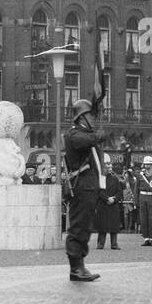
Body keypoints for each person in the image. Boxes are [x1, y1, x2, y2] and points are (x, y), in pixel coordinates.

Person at [64, 98, 106, 282]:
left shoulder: (86, 134)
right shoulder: (74, 134)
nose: (94, 119)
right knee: (78, 227)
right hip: (81, 187)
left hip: (89, 187)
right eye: (91, 115)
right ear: (82, 117)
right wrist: (98, 136)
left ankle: (80, 265)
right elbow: (83, 141)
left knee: (85, 227)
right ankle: (75, 268)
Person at [94, 154, 124, 251]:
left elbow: (119, 192)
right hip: (103, 204)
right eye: (108, 165)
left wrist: (114, 199)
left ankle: (114, 244)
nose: (110, 168)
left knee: (114, 227)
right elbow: (99, 191)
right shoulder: (100, 178)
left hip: (113, 205)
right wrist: (107, 199)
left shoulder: (115, 178)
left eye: (111, 166)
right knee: (102, 227)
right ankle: (100, 244)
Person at [133, 156, 152, 247]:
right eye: (146, 164)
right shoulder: (140, 175)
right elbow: (136, 189)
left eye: (149, 164)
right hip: (142, 198)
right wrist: (136, 201)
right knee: (143, 219)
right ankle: (146, 239)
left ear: (151, 165)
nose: (147, 165)